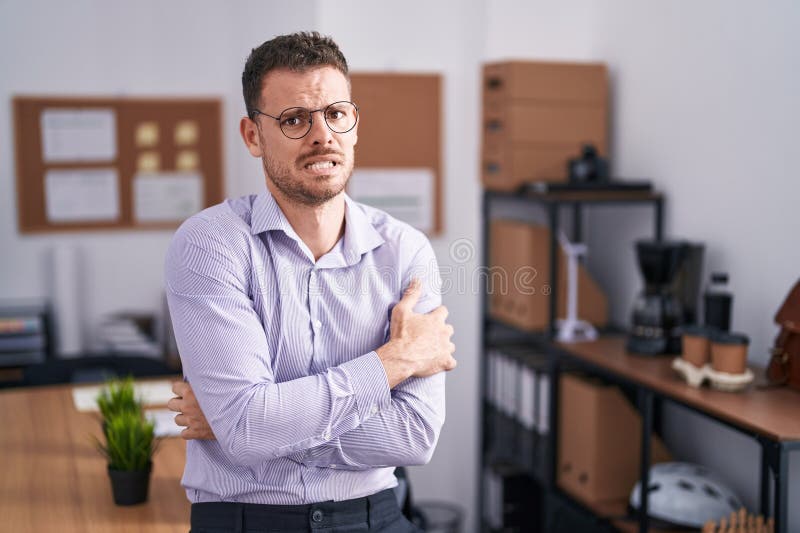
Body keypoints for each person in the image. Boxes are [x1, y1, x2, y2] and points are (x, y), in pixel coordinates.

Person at [164, 31, 456, 533]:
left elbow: (415, 435)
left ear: (354, 124)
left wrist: (252, 427)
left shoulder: (405, 250)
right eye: (295, 120)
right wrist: (394, 362)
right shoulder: (210, 245)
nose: (322, 135)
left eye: (336, 114)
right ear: (253, 136)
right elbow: (249, 427)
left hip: (376, 517)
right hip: (247, 521)